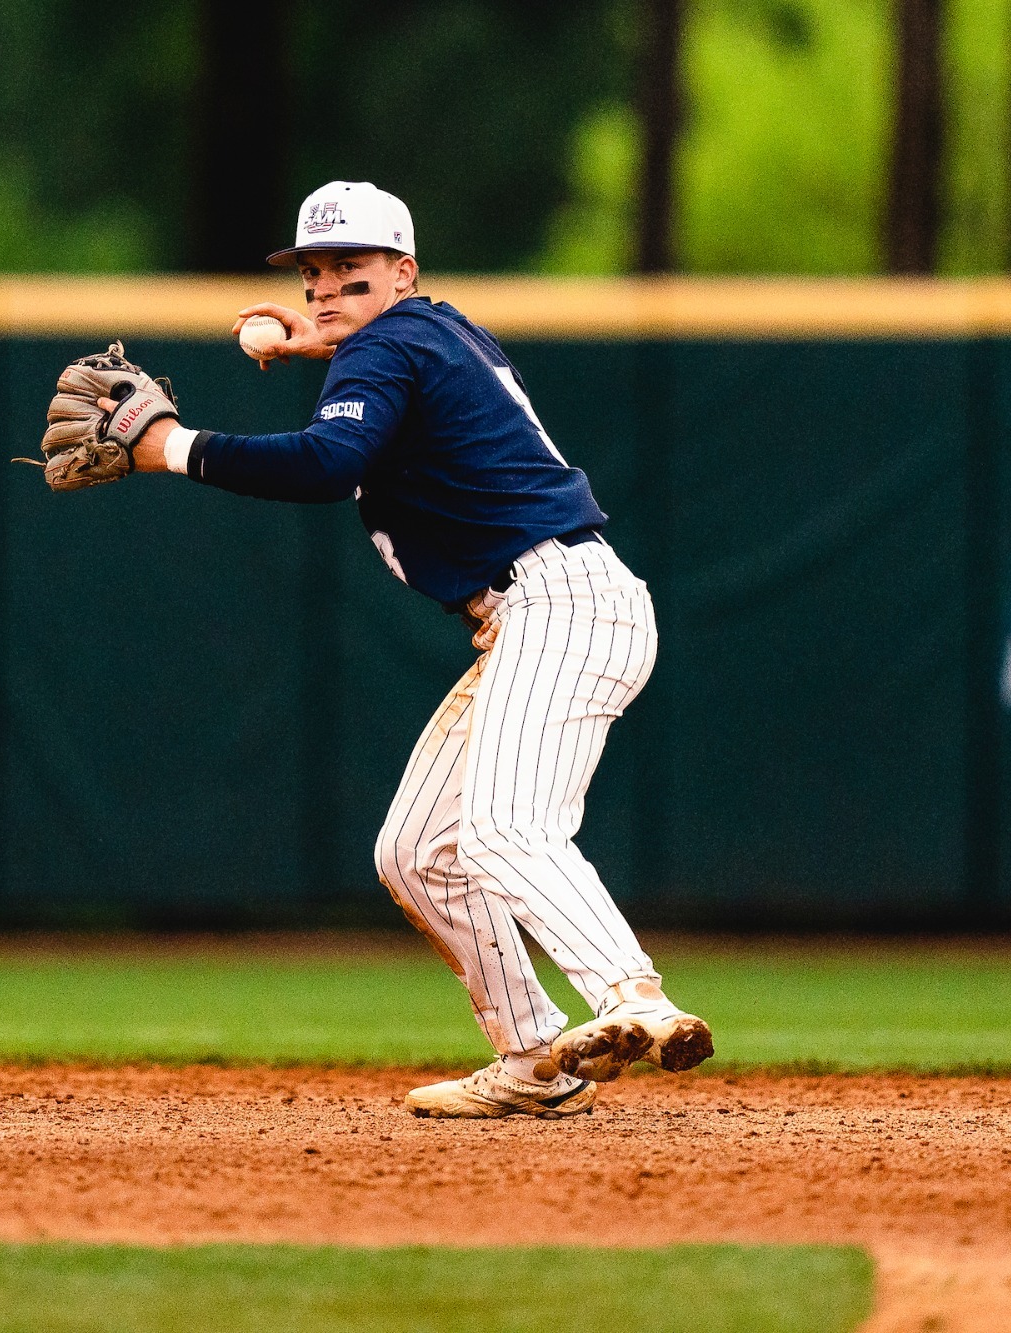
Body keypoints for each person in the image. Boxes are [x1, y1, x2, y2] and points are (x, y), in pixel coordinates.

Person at [83, 181, 711, 1117]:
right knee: (417, 851)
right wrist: (328, 341)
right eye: (313, 273)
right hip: (539, 612)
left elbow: (329, 463)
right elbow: (398, 382)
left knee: (504, 830)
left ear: (402, 272)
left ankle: (634, 996)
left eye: (352, 269)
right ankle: (536, 1058)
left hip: (561, 600)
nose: (327, 286)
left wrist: (172, 446)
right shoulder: (430, 333)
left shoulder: (389, 345)